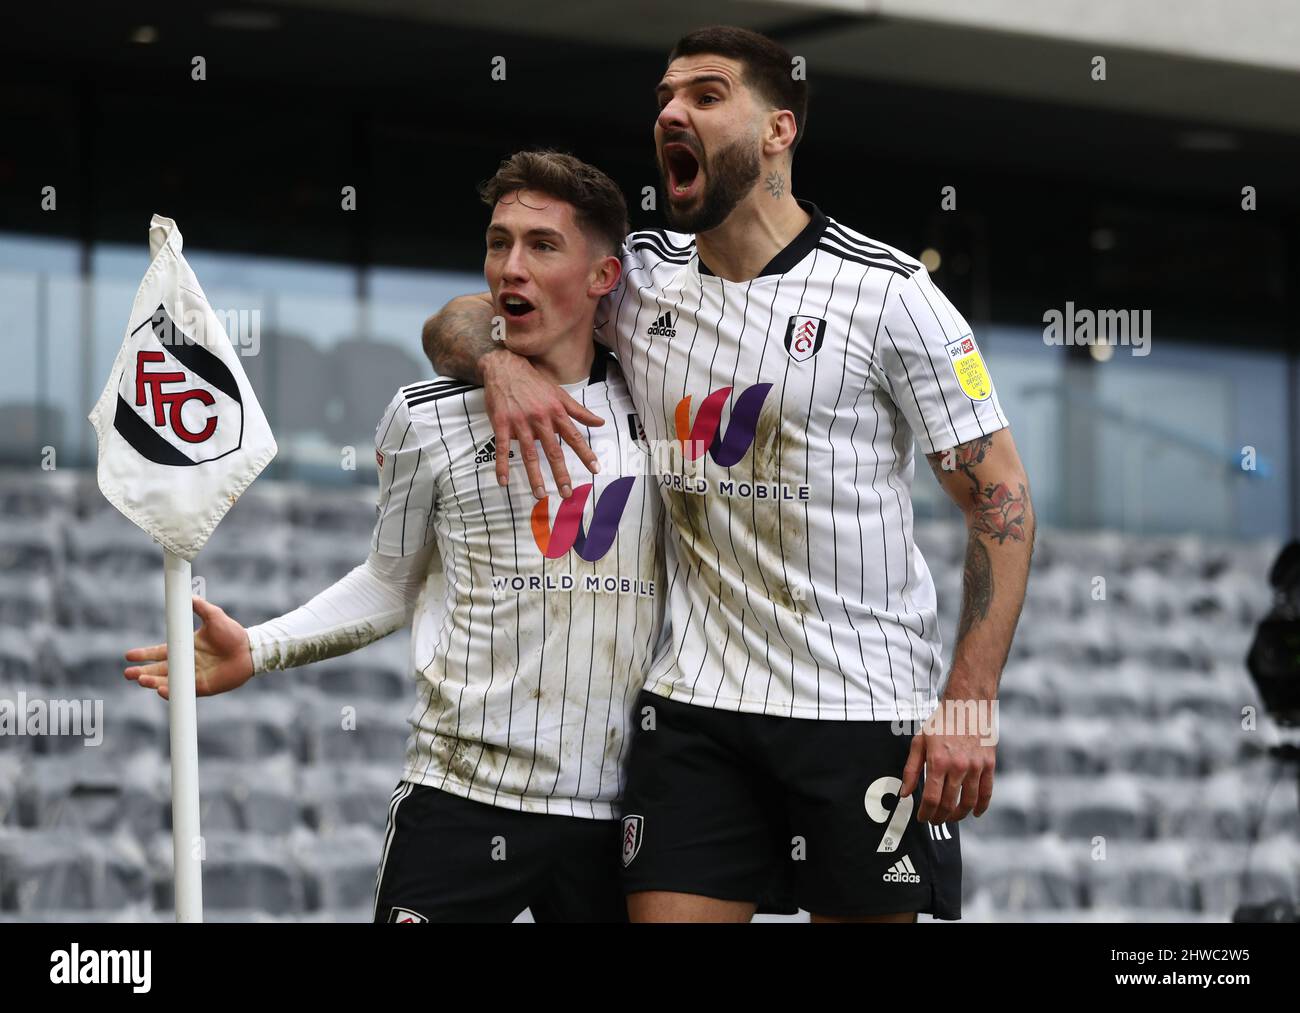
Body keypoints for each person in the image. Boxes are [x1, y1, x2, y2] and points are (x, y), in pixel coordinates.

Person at [422, 26, 1035, 923]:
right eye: (666, 98)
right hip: (697, 708)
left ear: (779, 130)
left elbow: (1002, 501)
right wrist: (500, 364)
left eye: (706, 96)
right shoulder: (636, 283)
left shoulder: (893, 296)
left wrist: (969, 702)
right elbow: (454, 321)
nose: (672, 112)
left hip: (861, 706)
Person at [124, 149, 666, 923]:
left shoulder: (658, 406)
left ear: (602, 278)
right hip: (459, 796)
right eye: (497, 242)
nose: (511, 266)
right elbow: (390, 580)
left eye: (542, 246)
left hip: (620, 811)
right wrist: (261, 647)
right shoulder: (427, 415)